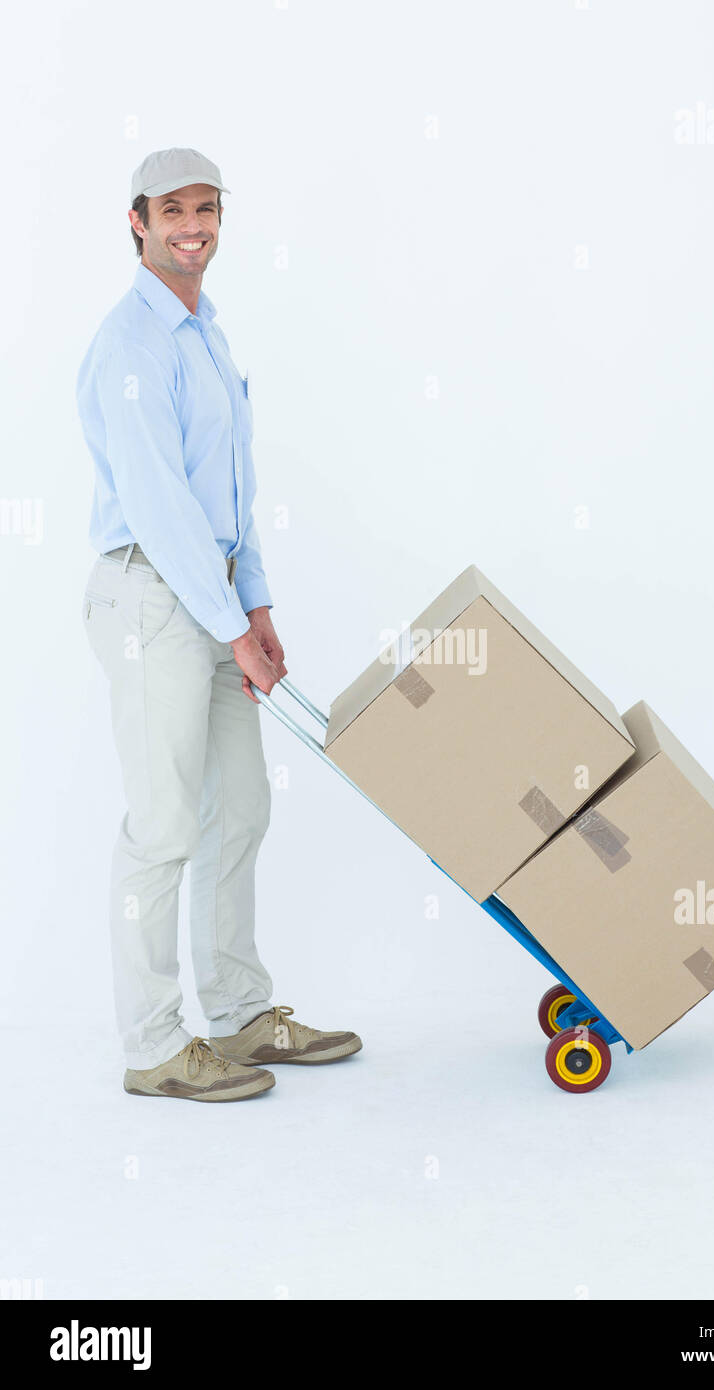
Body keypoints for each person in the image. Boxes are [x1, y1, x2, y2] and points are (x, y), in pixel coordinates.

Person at [77, 147, 361, 1102]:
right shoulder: (134, 346)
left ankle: (237, 1020)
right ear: (137, 223)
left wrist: (260, 605)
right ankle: (156, 1047)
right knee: (161, 828)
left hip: (214, 598)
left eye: (207, 208)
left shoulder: (205, 333)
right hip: (151, 600)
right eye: (173, 211)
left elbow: (229, 492)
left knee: (239, 809)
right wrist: (230, 622)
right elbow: (159, 507)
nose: (194, 226)